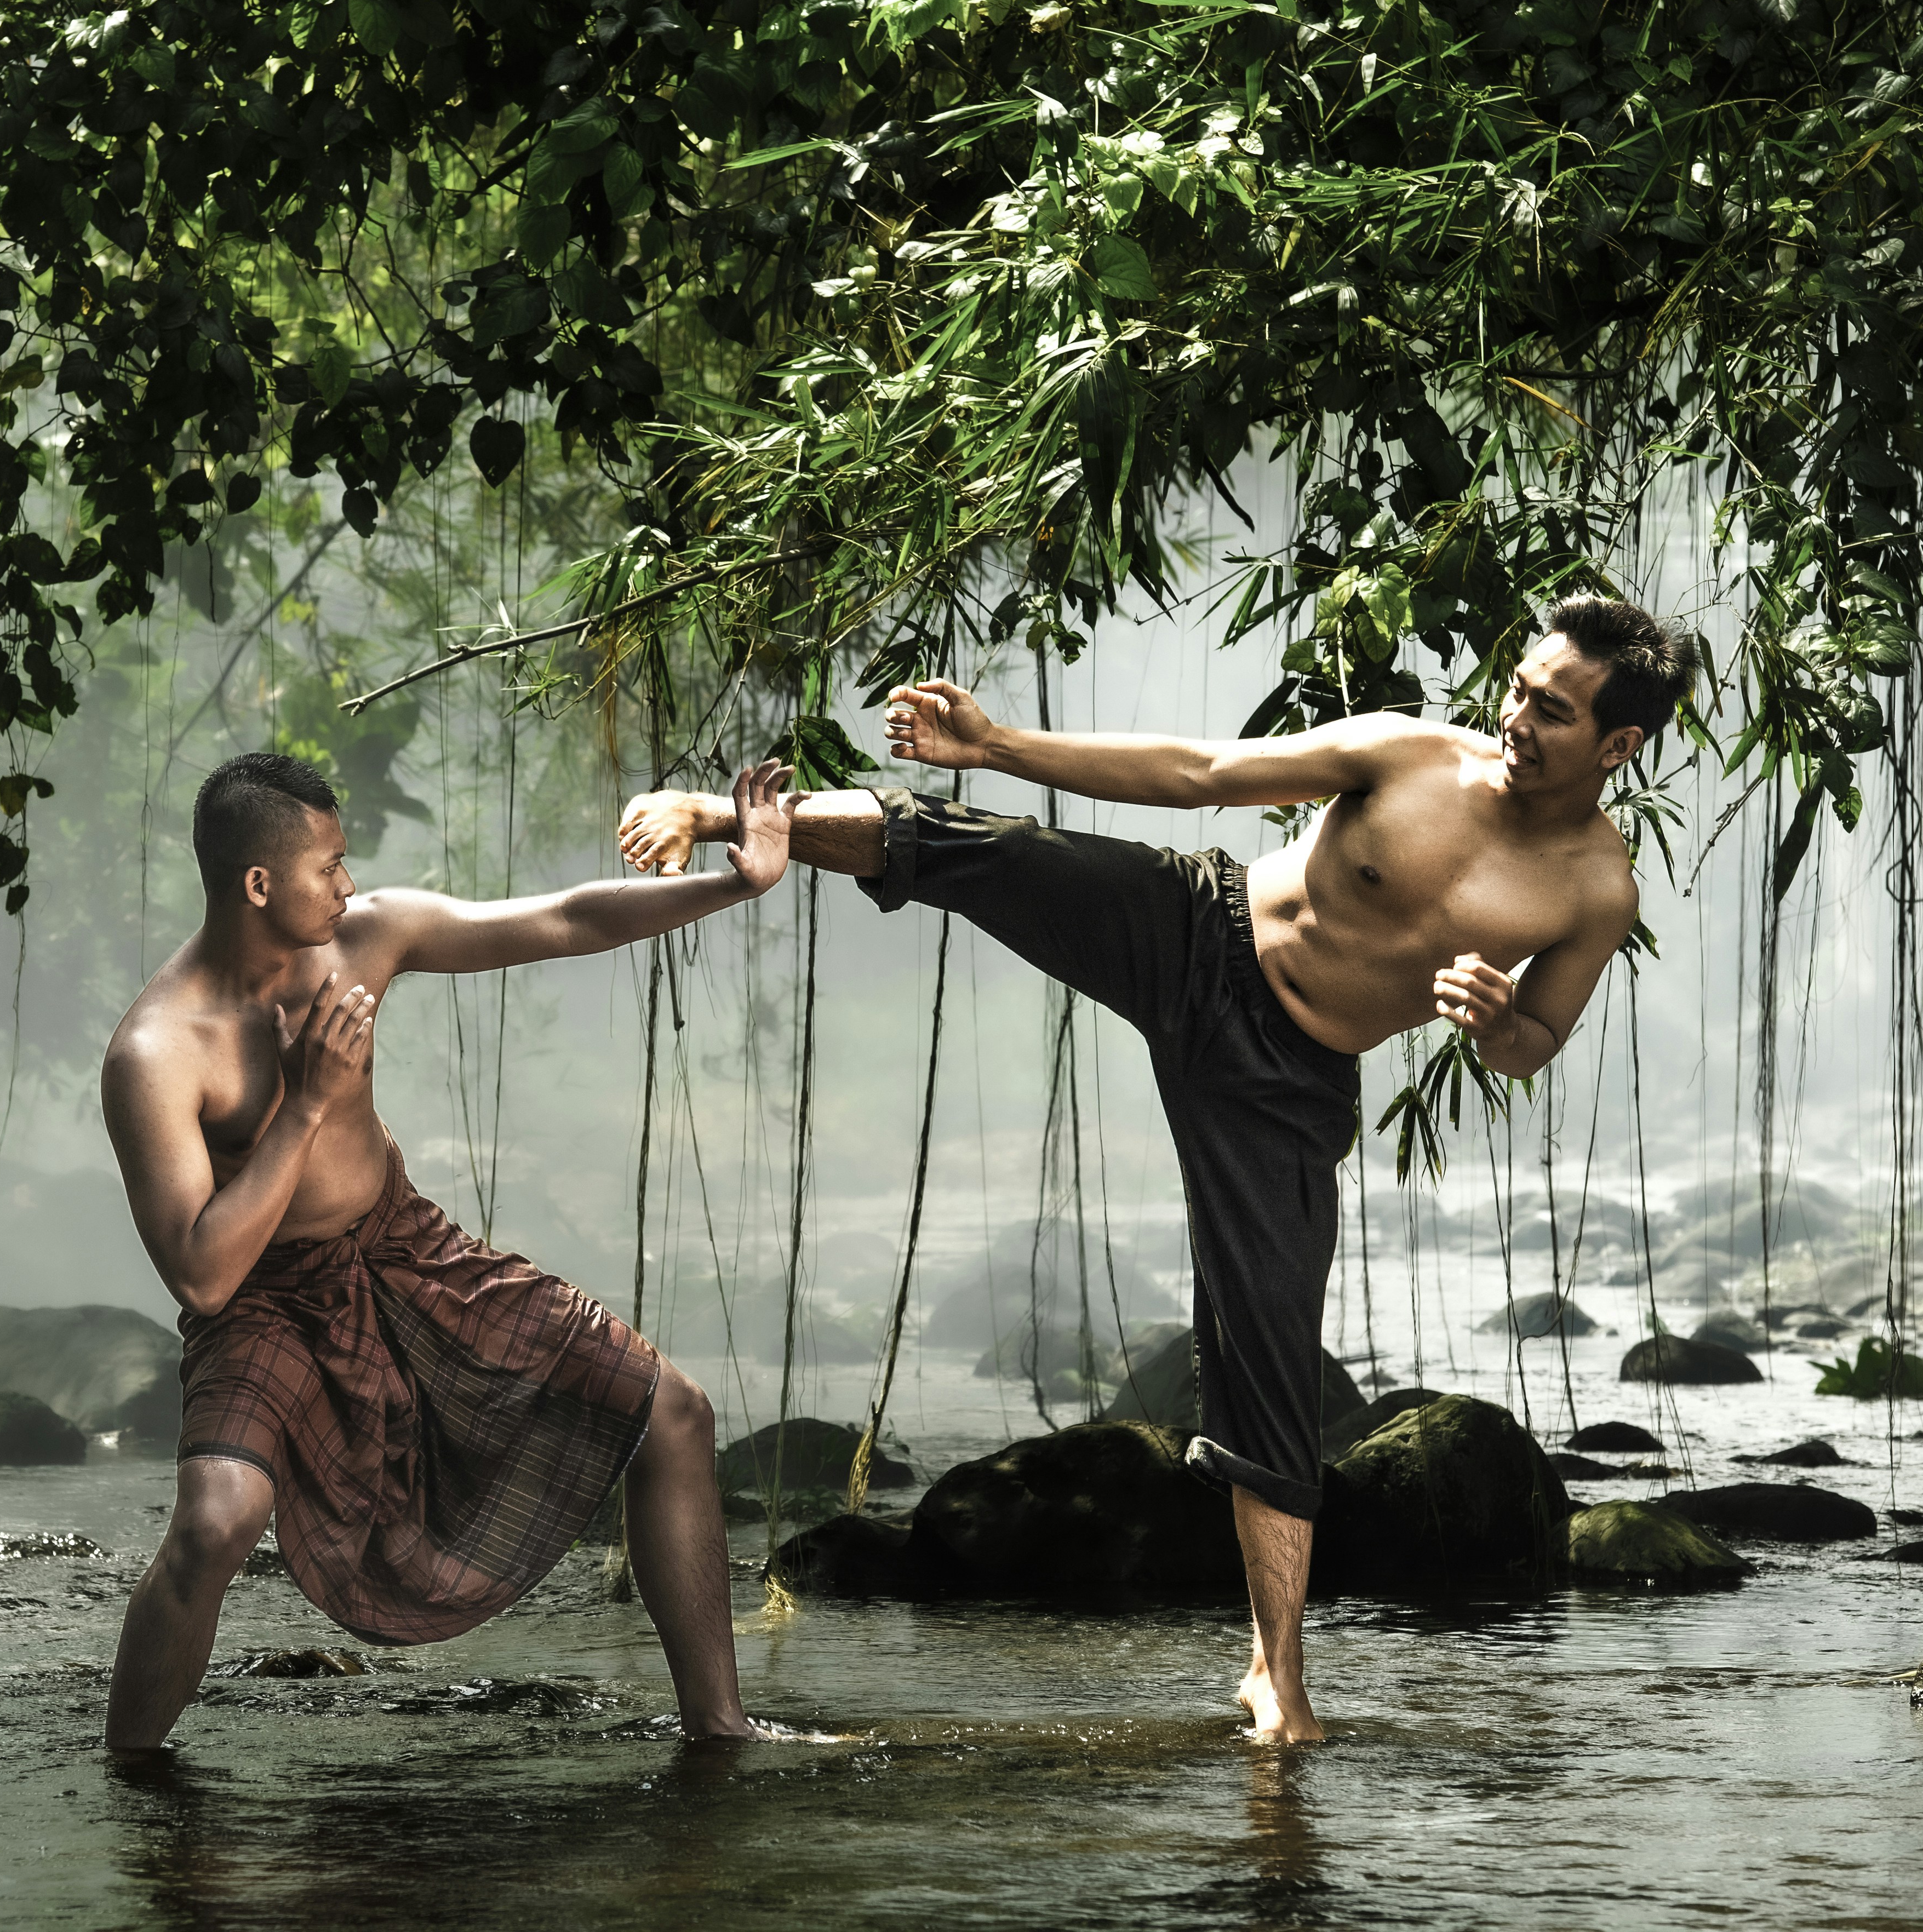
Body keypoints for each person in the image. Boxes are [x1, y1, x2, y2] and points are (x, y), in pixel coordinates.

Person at [615, 595, 1696, 1742]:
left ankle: (1277, 1676)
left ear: (1618, 744)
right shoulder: (1412, 752)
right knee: (988, 849)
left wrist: (1496, 1022)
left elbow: (1535, 1041)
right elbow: (1200, 771)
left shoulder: (1595, 890)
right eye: (1520, 687)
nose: (1517, 716)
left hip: (1287, 1081)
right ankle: (721, 815)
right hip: (1199, 930)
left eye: (1553, 710)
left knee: (1269, 1354)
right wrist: (997, 745)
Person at [100, 750, 800, 1750]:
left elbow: (568, 919)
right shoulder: (157, 1051)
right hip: (265, 1296)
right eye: (327, 868)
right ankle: (132, 1780)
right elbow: (204, 1276)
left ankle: (721, 1731)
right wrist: (305, 1104)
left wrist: (738, 883)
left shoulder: (363, 937)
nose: (348, 886)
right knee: (215, 1521)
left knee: (674, 1413)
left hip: (405, 1248)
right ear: (257, 884)